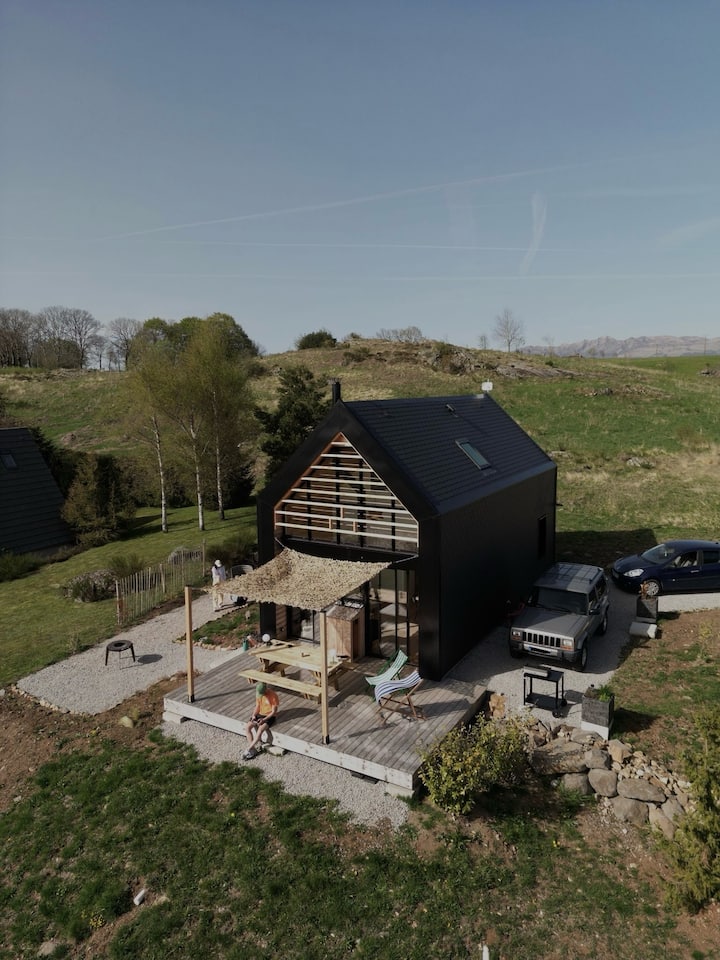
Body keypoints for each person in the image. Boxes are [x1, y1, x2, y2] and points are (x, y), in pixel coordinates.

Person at [243, 682, 279, 760]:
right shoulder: (259, 693)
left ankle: (249, 748)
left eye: (262, 694)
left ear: (266, 690)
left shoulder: (273, 696)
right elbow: (257, 706)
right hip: (260, 714)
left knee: (260, 729)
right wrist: (253, 715)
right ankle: (253, 749)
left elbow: (274, 712)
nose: (261, 696)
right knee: (248, 727)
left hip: (270, 716)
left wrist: (264, 719)